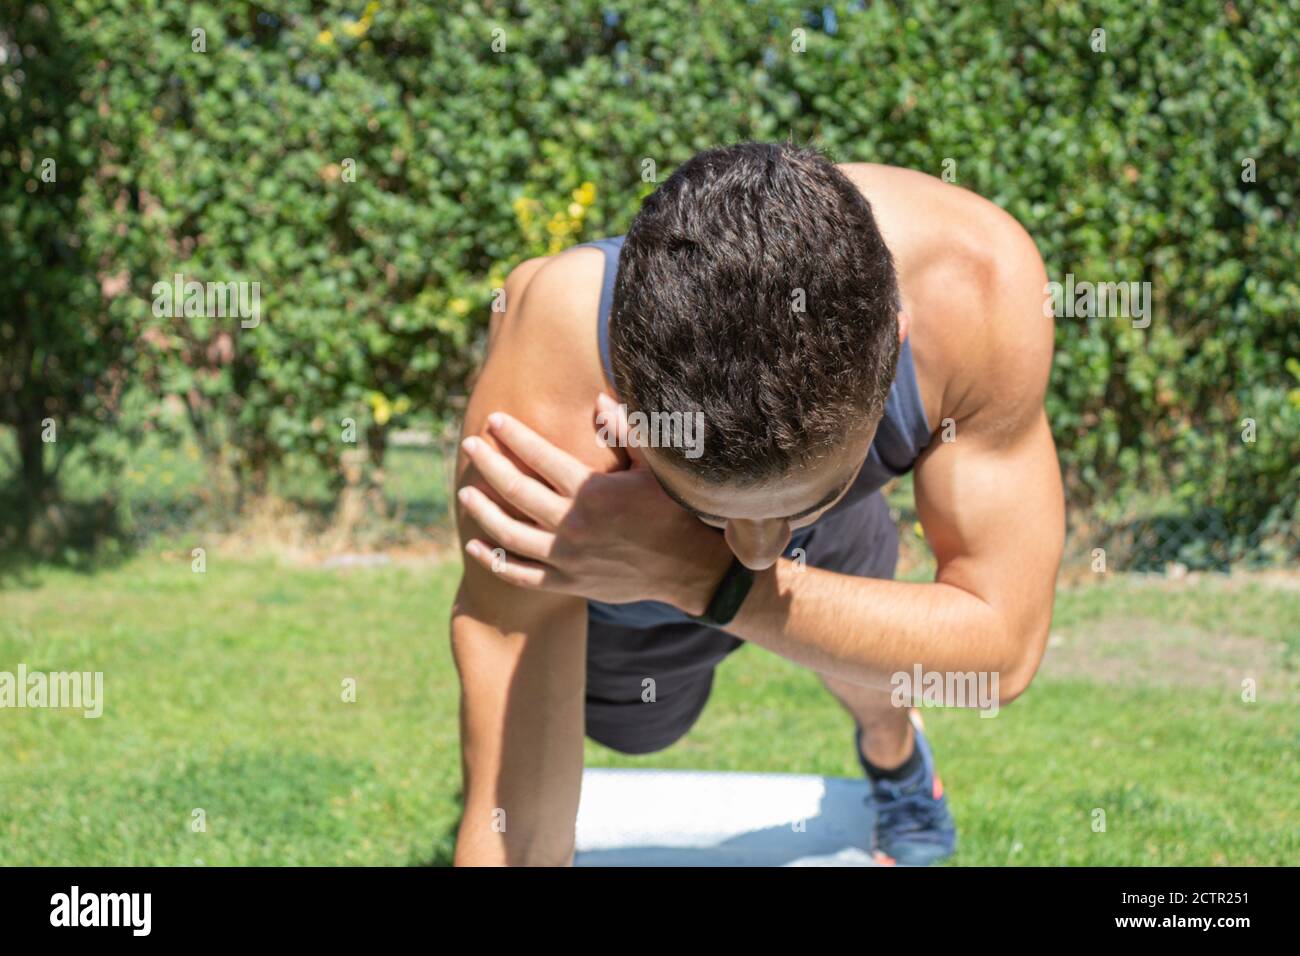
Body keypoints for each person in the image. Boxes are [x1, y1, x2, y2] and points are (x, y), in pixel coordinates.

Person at [450, 142, 1064, 866]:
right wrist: (701, 546)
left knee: (877, 670)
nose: (759, 551)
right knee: (643, 726)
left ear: (890, 349)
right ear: (626, 406)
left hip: (827, 525)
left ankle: (896, 760)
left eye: (795, 507)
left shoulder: (978, 285)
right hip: (619, 542)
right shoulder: (555, 359)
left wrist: (708, 576)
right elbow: (513, 827)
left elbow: (1003, 655)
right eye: (713, 513)